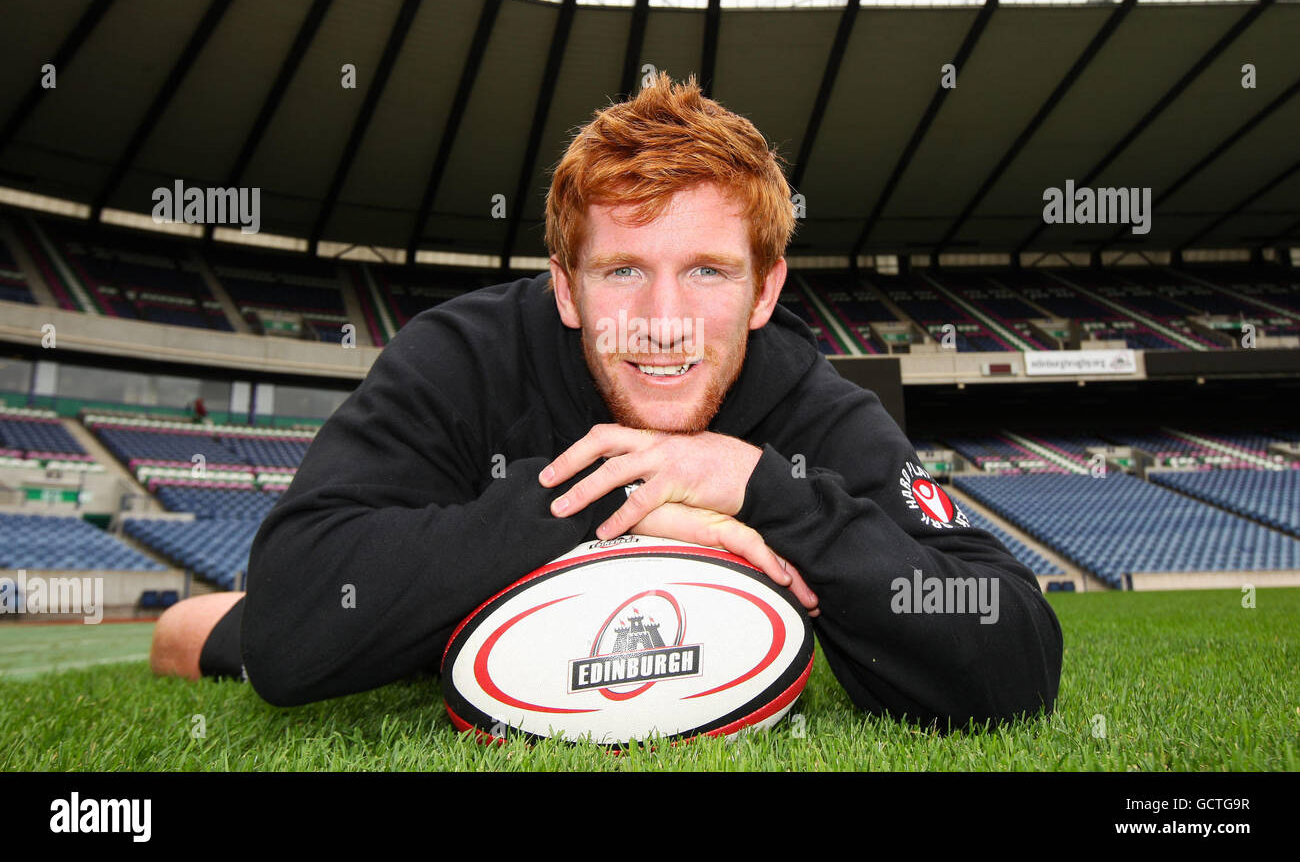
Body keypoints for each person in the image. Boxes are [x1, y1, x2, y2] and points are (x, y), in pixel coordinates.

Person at [151, 73, 1062, 727]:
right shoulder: (459, 355)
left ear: (765, 291)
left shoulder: (810, 408)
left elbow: (1014, 650)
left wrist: (759, 487)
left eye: (708, 271)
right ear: (566, 287)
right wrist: (623, 508)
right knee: (185, 637)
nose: (662, 324)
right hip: (434, 625)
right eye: (623, 270)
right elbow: (291, 625)